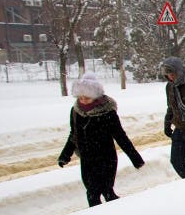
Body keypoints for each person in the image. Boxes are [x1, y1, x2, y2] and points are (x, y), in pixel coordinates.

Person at [58, 72, 144, 207]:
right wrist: (65, 155)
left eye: (87, 97)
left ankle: (119, 214)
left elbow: (120, 136)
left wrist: (135, 158)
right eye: (80, 97)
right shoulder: (75, 112)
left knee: (107, 191)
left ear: (95, 96)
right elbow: (74, 135)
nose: (83, 101)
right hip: (87, 159)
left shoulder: (107, 112)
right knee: (92, 194)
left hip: (106, 158)